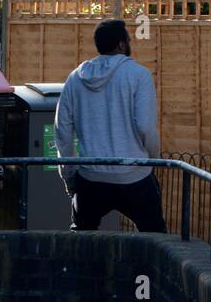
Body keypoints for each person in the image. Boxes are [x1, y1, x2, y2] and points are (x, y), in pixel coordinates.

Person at [54, 18, 166, 232]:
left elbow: (62, 131)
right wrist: (153, 161)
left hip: (90, 178)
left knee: (82, 236)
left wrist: (69, 175)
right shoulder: (139, 75)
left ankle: (84, 266)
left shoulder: (75, 78)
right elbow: (145, 127)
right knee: (156, 237)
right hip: (135, 176)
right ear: (122, 44)